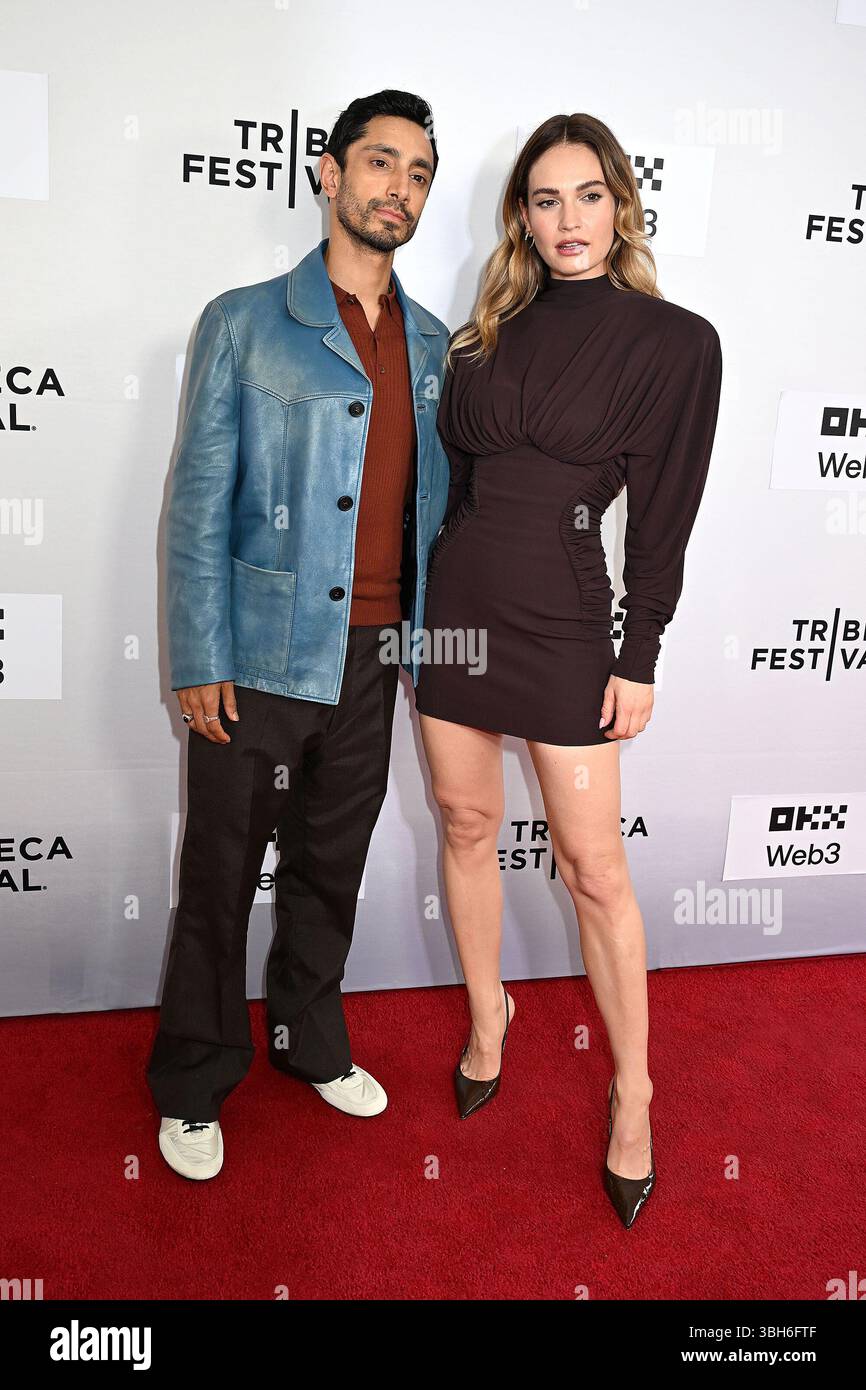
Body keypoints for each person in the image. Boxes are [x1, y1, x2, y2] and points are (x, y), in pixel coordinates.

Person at [414, 112, 723, 1228]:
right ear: (521, 217)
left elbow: (664, 522)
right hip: (454, 615)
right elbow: (449, 495)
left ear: (621, 203)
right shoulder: (478, 337)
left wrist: (638, 655)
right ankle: (488, 1017)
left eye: (587, 194)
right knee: (463, 821)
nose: (567, 219)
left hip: (564, 626)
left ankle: (632, 1092)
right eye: (544, 200)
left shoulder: (674, 342)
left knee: (594, 870)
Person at [147, 89, 451, 1180]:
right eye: (379, 163)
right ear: (328, 174)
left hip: (374, 659)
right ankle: (192, 1078)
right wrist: (199, 655)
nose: (398, 189)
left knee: (332, 866)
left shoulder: (431, 341)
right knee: (219, 875)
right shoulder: (243, 321)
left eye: (418, 173)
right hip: (258, 657)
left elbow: (434, 507)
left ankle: (307, 1040)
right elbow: (196, 503)